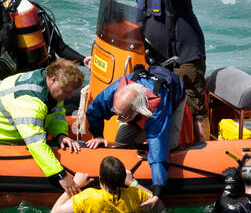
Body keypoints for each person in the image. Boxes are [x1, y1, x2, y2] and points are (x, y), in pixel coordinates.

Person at [106, 0, 209, 140]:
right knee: (161, 99)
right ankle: (164, 140)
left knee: (195, 106)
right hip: (159, 59)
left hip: (185, 56)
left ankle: (203, 149)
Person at [0, 59, 85, 195]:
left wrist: (60, 134)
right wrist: (61, 176)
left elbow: (56, 113)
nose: (70, 95)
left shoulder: (49, 86)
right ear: (53, 79)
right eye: (67, 91)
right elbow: (36, 144)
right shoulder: (29, 101)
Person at [78, 62, 184, 196]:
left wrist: (157, 191)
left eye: (122, 116)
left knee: (169, 147)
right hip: (134, 105)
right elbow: (94, 112)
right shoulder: (113, 93)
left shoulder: (158, 109)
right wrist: (99, 137)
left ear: (137, 112)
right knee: (121, 143)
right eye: (115, 113)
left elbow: (159, 151)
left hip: (173, 95)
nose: (117, 119)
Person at [49, 155, 163, 213]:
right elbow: (158, 204)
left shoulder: (88, 197)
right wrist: (133, 182)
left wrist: (75, 185)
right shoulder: (136, 194)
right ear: (124, 179)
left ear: (100, 178)